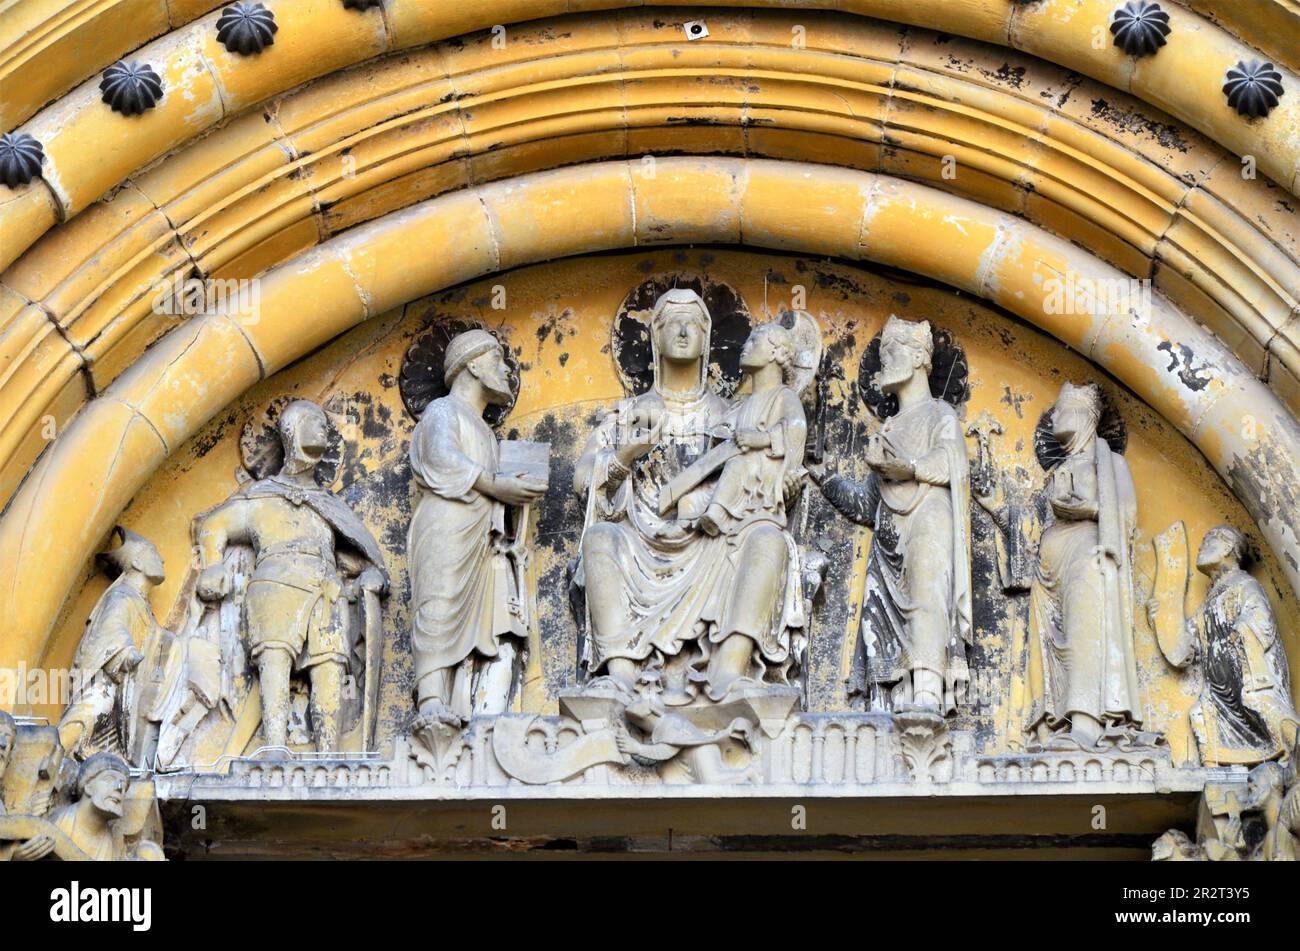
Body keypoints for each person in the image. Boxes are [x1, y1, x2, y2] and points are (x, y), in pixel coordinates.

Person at [196, 400, 388, 753]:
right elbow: (213, 524)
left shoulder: (326, 503)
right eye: (312, 423)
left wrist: (370, 573)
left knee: (330, 664)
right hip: (275, 585)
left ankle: (329, 756)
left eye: (323, 425)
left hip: (325, 588)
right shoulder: (261, 497)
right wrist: (212, 564)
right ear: (291, 432)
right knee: (274, 660)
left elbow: (360, 552)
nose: (323, 430)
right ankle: (274, 747)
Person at [813, 317, 972, 713]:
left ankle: (929, 692)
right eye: (883, 352)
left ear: (919, 357)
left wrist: (912, 469)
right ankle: (892, 700)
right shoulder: (887, 430)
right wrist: (827, 480)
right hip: (888, 540)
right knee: (878, 617)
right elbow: (869, 503)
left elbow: (953, 465)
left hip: (929, 519)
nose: (886, 360)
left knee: (927, 598)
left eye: (893, 350)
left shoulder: (940, 416)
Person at [408, 329, 546, 727]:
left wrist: (516, 491)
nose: (506, 370)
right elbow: (441, 459)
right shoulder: (442, 413)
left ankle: (470, 703)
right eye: (498, 360)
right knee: (440, 602)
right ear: (472, 363)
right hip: (448, 524)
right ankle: (431, 699)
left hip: (485, 535)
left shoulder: (484, 431)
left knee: (490, 620)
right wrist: (498, 484)